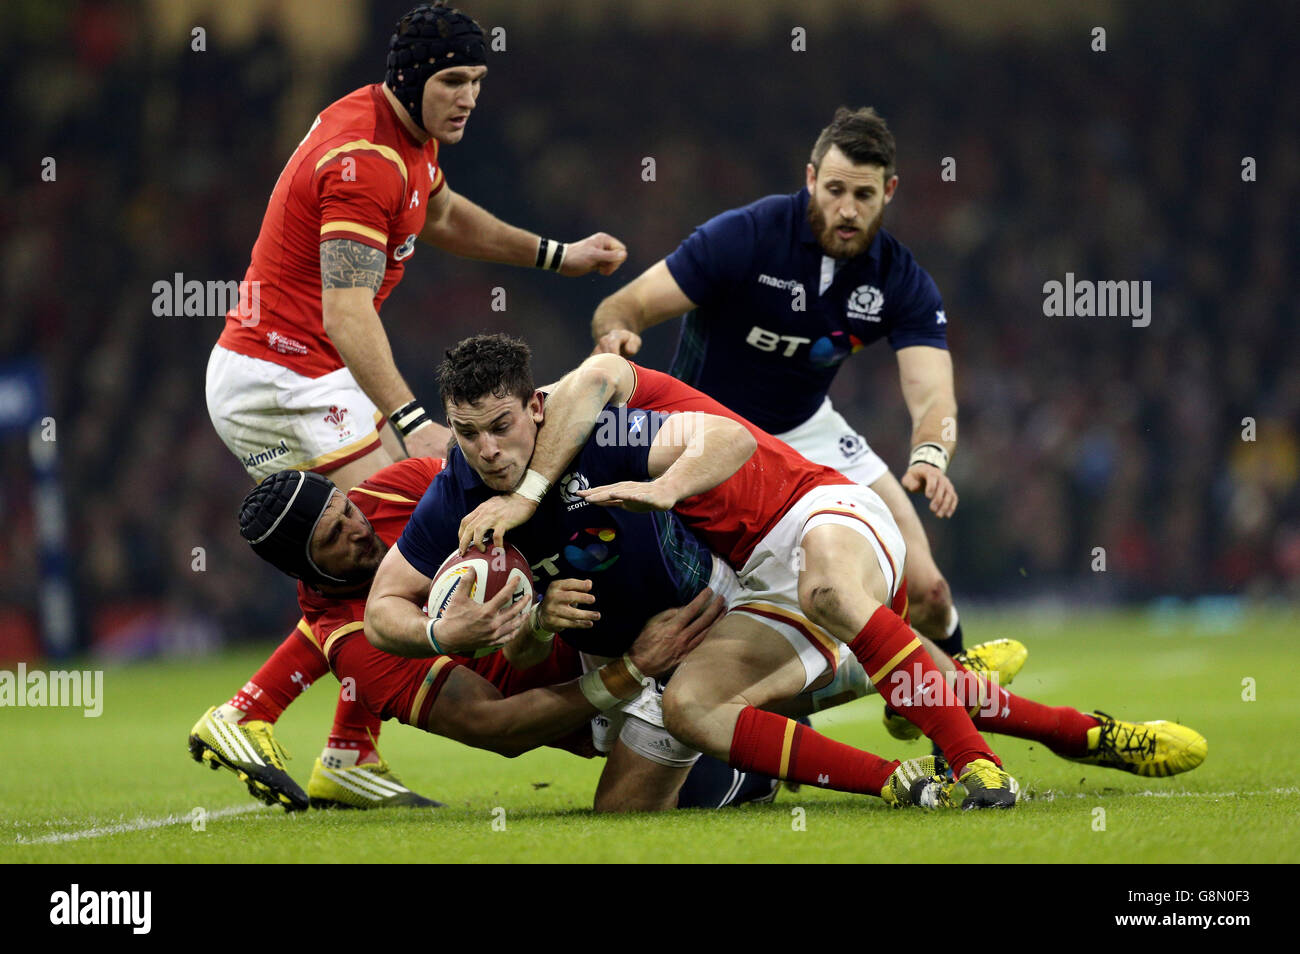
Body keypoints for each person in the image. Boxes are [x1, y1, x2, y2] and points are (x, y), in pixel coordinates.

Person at [191, 1, 628, 810]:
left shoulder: (404, 141)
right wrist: (405, 419)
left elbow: (446, 212)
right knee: (414, 518)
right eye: (453, 81)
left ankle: (337, 745)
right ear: (411, 79)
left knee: (371, 556)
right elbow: (345, 311)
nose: (467, 97)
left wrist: (555, 255)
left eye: (477, 81)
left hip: (284, 374)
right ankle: (258, 714)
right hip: (282, 375)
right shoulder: (363, 161)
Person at [457, 341, 1208, 808]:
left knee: (830, 592)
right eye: (472, 435)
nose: (492, 448)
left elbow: (606, 383)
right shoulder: (491, 481)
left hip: (818, 508)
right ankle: (1068, 736)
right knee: (693, 707)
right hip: (750, 585)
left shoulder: (593, 392)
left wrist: (566, 493)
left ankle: (975, 763)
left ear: (533, 405)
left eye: (503, 426)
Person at [590, 106, 966, 666]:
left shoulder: (899, 278)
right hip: (705, 437)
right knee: (716, 615)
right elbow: (627, 304)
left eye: (863, 196)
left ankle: (960, 684)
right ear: (810, 178)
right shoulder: (745, 236)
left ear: (889, 191)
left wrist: (932, 453)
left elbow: (933, 392)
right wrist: (617, 335)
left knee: (930, 594)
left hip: (807, 429)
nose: (847, 209)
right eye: (834, 189)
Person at [224, 456, 786, 812]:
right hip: (594, 701)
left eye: (345, 509)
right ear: (305, 567)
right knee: (715, 781)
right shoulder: (357, 644)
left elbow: (499, 478)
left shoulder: (392, 494)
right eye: (333, 538)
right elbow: (499, 727)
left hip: (610, 600)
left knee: (788, 648)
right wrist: (630, 670)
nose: (360, 530)